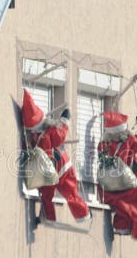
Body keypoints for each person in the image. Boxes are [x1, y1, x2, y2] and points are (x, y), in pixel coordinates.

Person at [22, 89, 90, 223]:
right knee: (53, 196)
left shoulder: (45, 135)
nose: (33, 136)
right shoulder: (37, 138)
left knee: (65, 194)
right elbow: (61, 133)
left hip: (59, 170)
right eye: (31, 133)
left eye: (34, 133)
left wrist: (64, 120)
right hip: (54, 171)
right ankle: (52, 218)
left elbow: (60, 135)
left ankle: (80, 214)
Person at [97, 111, 137, 240]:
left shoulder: (102, 145)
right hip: (128, 184)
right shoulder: (128, 141)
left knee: (121, 206)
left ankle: (122, 227)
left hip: (109, 187)